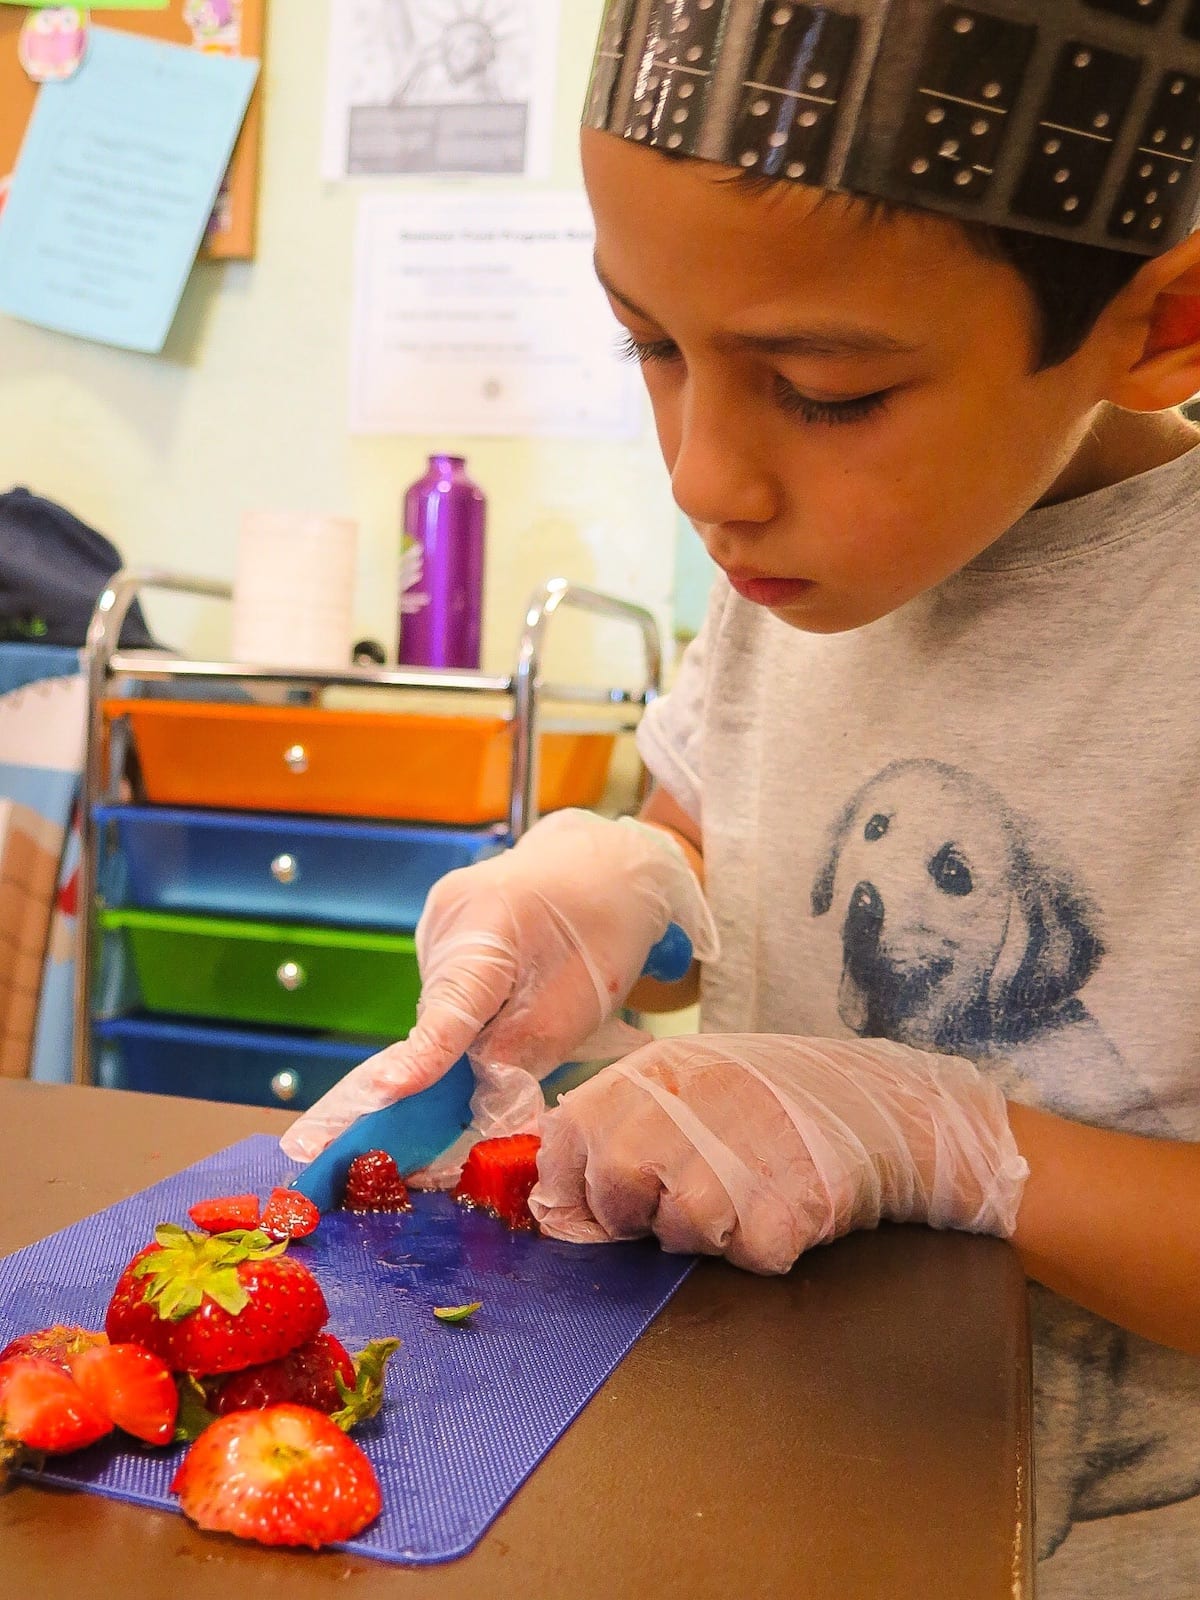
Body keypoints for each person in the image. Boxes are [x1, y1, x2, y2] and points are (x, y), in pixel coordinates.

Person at [284, 3, 1200, 1590]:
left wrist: (958, 1142)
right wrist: (616, 891)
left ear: (1166, 316)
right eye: (651, 344)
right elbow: (714, 851)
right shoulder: (796, 569)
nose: (706, 476)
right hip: (759, 1473)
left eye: (830, 392)